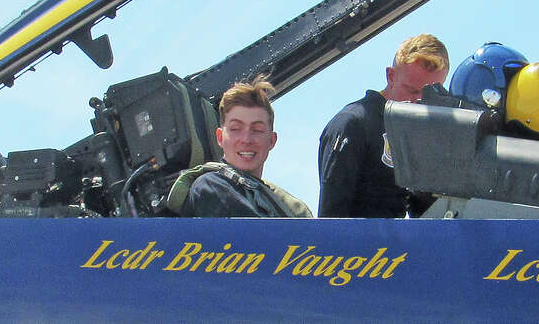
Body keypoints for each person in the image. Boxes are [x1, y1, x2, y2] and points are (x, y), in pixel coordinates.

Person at [317, 33, 449, 217]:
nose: (418, 101)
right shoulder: (353, 123)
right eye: (411, 90)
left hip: (401, 244)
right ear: (391, 76)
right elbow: (331, 216)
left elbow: (427, 213)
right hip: (356, 243)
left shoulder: (426, 133)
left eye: (429, 95)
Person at [177, 75, 312, 218]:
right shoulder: (210, 187)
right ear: (220, 137)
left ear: (272, 141)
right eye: (235, 129)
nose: (246, 139)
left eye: (257, 130)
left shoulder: (292, 208)